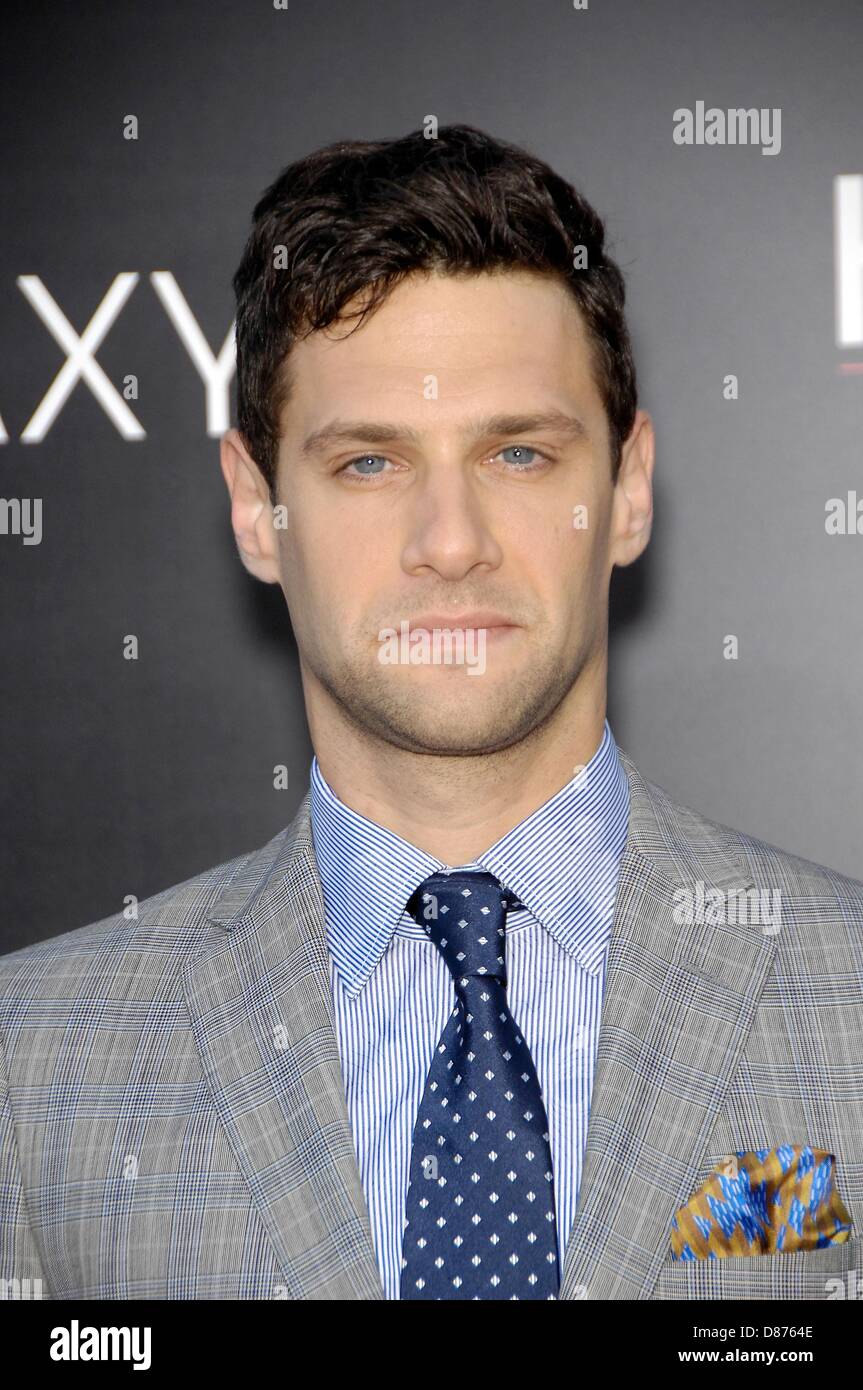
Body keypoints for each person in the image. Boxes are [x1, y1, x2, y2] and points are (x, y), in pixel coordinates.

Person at [1, 125, 861, 1301]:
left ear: (626, 491)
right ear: (258, 511)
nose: (449, 542)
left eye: (516, 454)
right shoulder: (32, 1064)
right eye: (369, 463)